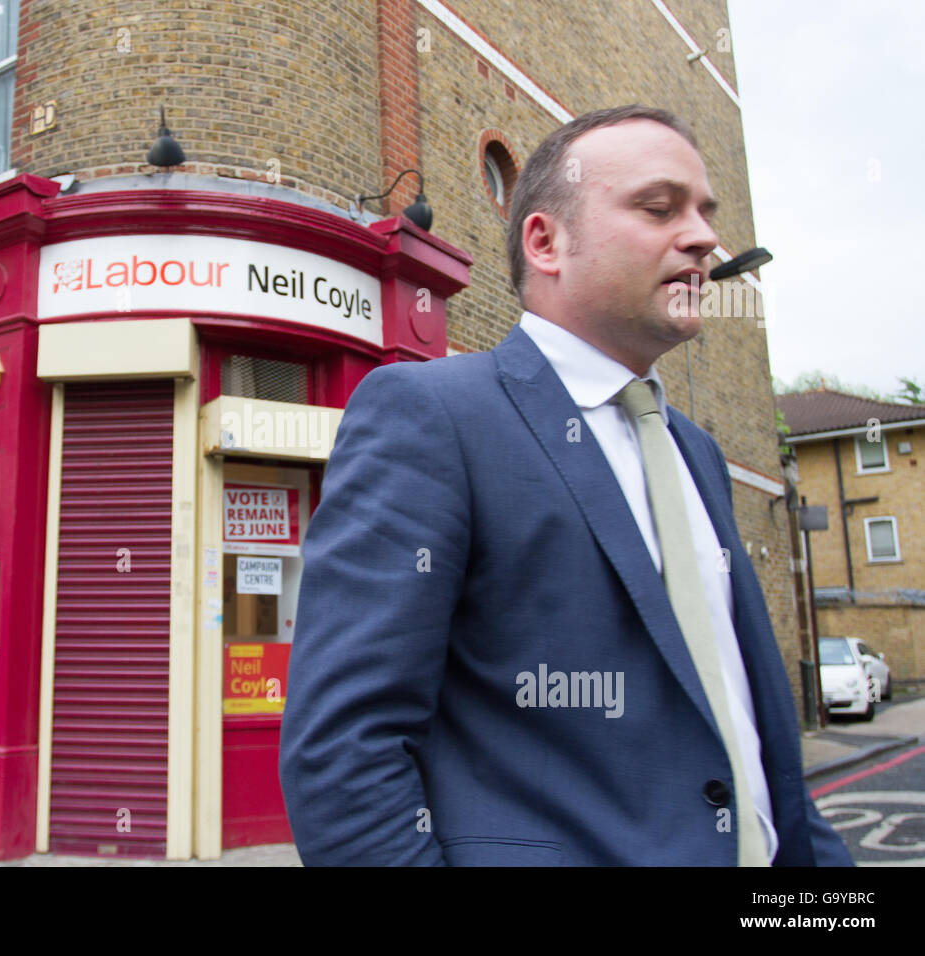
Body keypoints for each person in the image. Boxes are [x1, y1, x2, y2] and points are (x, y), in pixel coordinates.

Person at [278, 105, 852, 866]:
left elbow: (744, 733)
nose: (705, 238)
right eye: (659, 207)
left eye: (706, 213)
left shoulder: (698, 453)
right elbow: (343, 753)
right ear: (546, 241)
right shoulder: (430, 416)